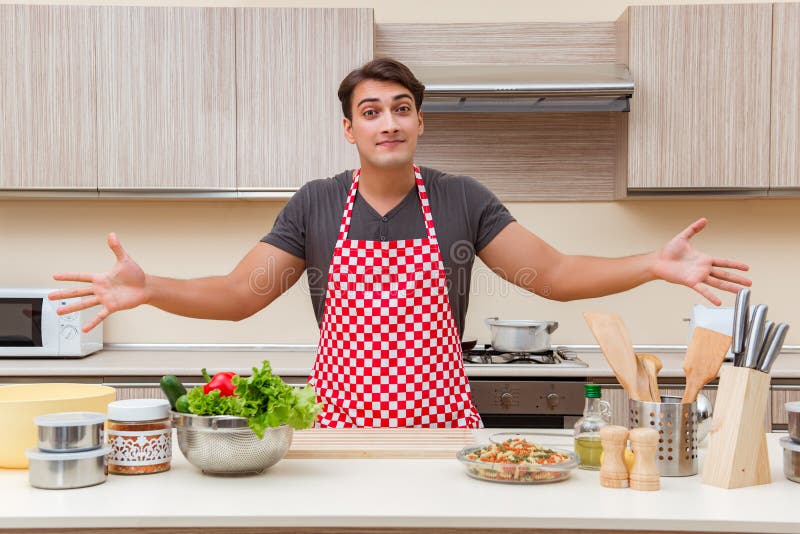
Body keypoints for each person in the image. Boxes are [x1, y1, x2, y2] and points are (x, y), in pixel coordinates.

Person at [49, 58, 751, 428]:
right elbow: (241, 295)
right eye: (371, 111)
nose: (389, 122)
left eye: (402, 109)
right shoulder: (317, 204)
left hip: (446, 425)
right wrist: (150, 289)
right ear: (348, 129)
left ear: (421, 123)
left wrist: (654, 265)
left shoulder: (461, 199)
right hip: (344, 425)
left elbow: (555, 274)